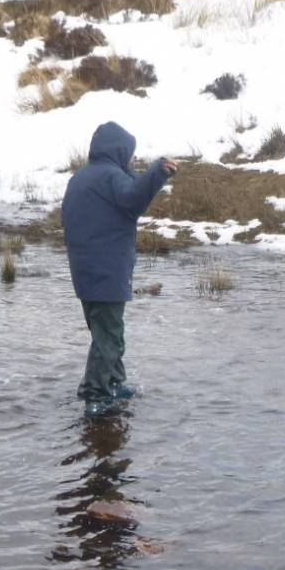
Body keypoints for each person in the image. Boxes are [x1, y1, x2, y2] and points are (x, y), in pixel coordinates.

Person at [62, 121, 176, 418]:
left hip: (84, 270)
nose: (129, 160)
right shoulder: (111, 176)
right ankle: (96, 395)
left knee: (107, 331)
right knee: (108, 335)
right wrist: (157, 172)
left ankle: (113, 382)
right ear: (119, 150)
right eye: (128, 154)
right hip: (107, 269)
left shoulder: (80, 178)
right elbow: (133, 199)